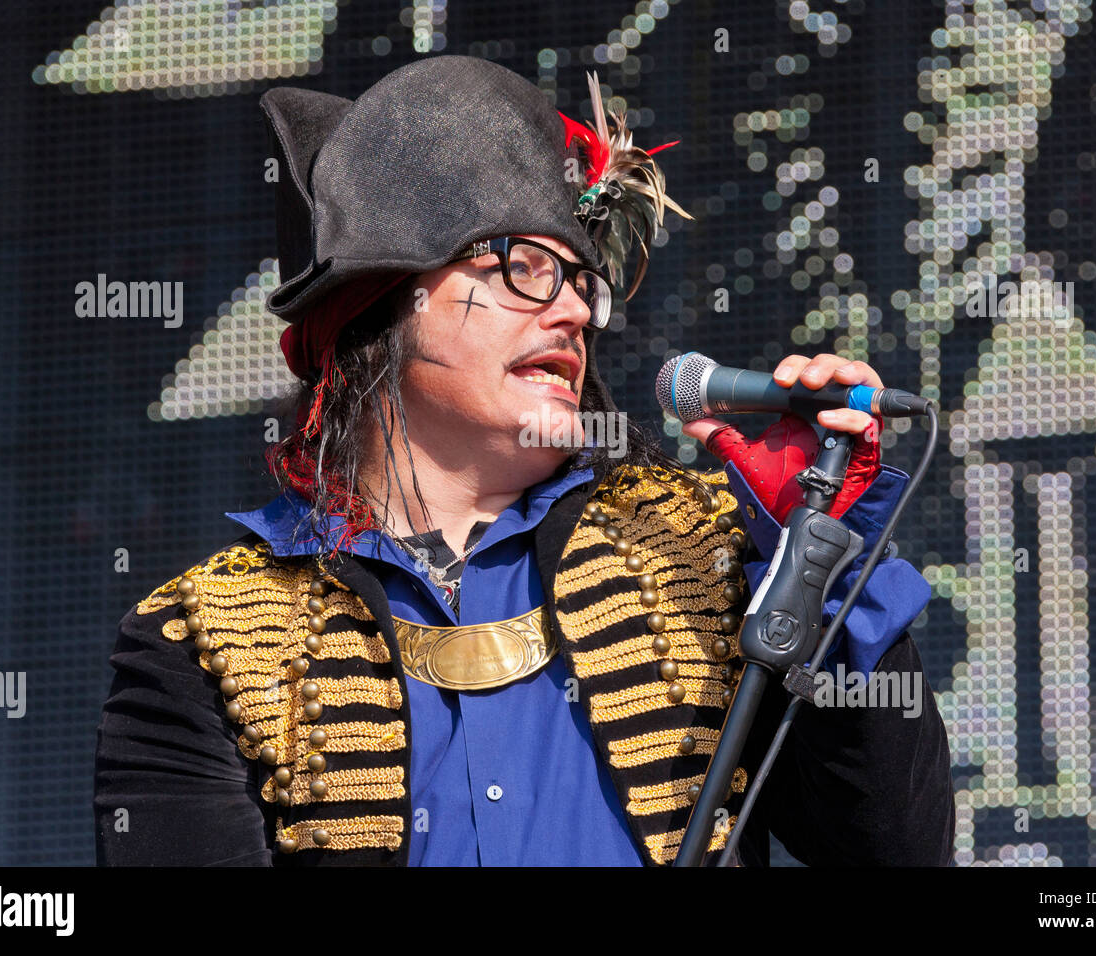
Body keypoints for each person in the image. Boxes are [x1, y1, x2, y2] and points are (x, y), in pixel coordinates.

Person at [94, 55, 954, 866]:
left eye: (582, 281)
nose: (573, 311)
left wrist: (816, 554)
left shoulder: (708, 553)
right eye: (524, 268)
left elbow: (896, 849)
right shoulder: (205, 635)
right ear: (378, 307)